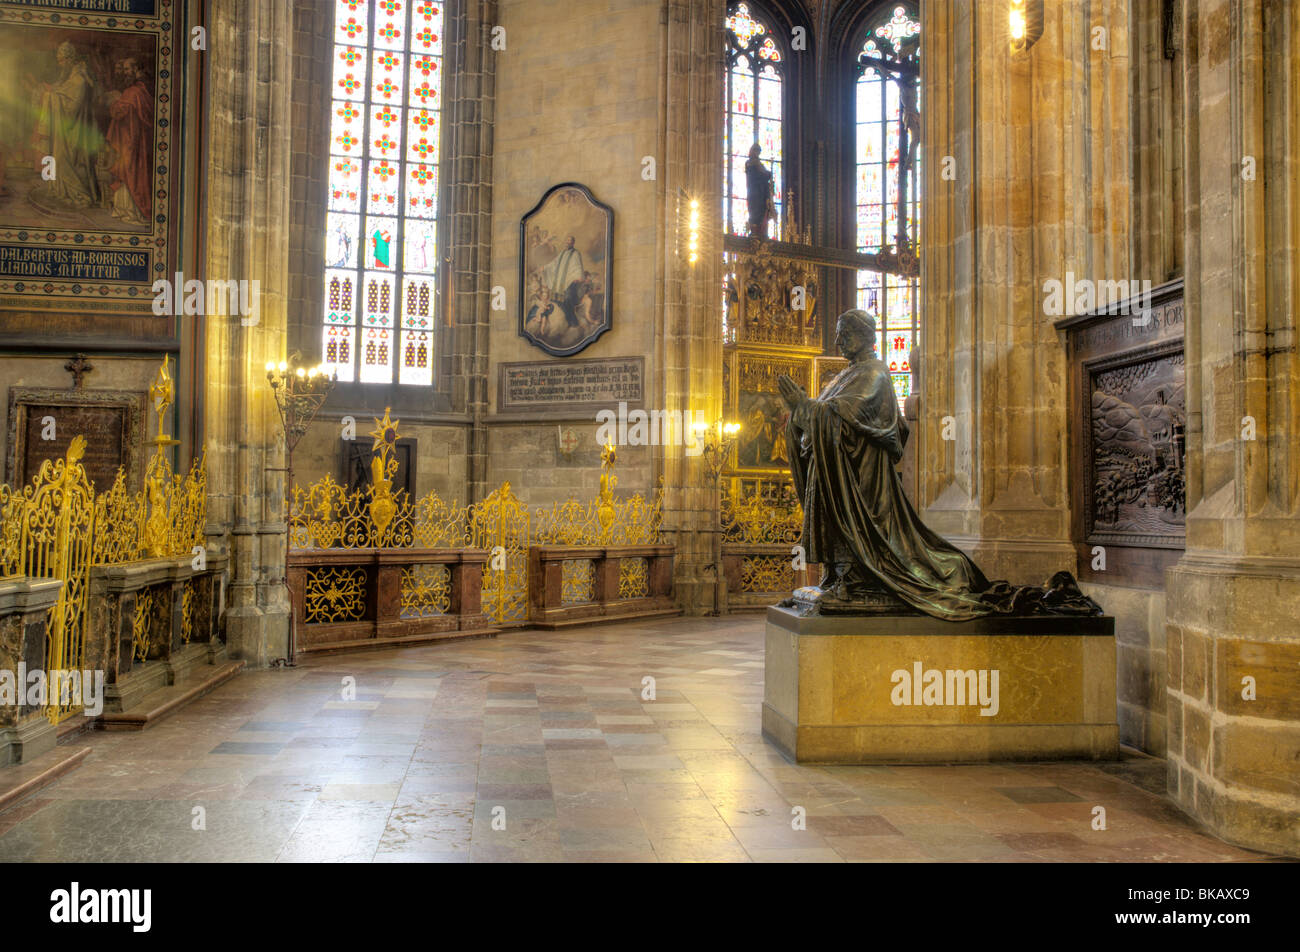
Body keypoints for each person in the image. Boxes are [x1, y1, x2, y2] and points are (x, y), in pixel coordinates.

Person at [778, 309, 1101, 620]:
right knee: (837, 520)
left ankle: (858, 580)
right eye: (838, 336)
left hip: (862, 478)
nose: (839, 343)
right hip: (836, 472)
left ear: (864, 336)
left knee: (862, 524)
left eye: (845, 335)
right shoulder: (843, 375)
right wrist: (800, 415)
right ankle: (837, 578)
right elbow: (823, 418)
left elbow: (849, 416)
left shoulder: (874, 372)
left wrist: (806, 408)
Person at [105, 57, 152, 225]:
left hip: (131, 141)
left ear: (136, 69)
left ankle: (132, 212)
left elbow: (120, 112)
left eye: (126, 69)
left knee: (131, 173)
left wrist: (115, 101)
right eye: (123, 69)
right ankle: (124, 210)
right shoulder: (141, 90)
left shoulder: (133, 92)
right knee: (128, 172)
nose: (124, 73)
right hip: (132, 139)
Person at [744, 143, 776, 237]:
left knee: (762, 210)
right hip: (754, 193)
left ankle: (761, 229)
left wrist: (767, 175)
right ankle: (754, 229)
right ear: (752, 151)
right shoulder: (750, 163)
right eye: (756, 151)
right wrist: (767, 174)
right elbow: (761, 174)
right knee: (755, 210)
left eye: (758, 151)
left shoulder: (759, 164)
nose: (757, 153)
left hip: (761, 192)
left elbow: (765, 174)